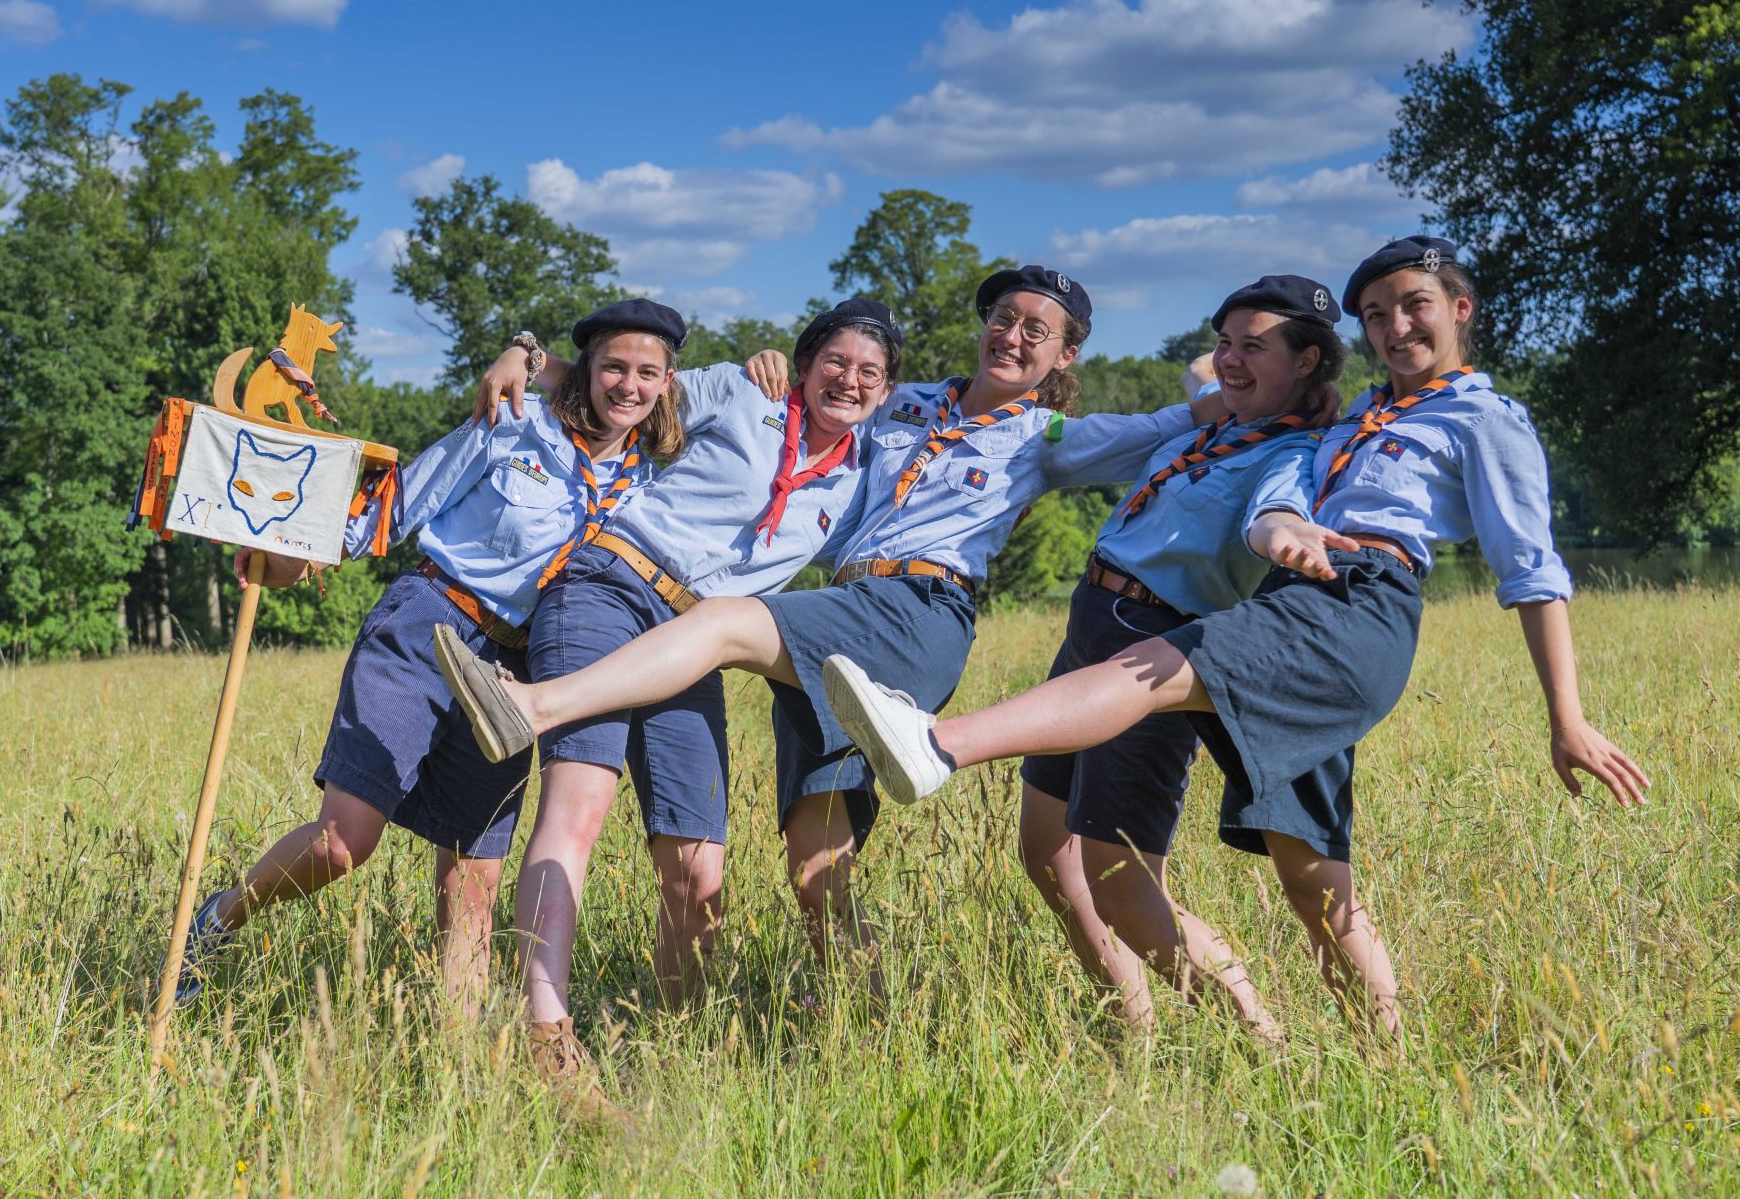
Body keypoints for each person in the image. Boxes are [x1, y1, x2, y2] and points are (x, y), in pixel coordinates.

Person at [826, 238, 1650, 1034]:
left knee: (1138, 784)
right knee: (1309, 873)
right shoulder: (1347, 419)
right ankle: (1368, 1056)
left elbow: (1529, 566)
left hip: (1338, 604)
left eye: (1414, 306)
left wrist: (1566, 715)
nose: (1395, 326)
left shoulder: (1474, 418)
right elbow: (1271, 485)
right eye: (1376, 313)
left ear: (1459, 309)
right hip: (1260, 606)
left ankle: (937, 743)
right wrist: (1270, 479)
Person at [439, 265, 1227, 1005]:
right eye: (1004, 318)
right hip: (843, 620)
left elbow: (1195, 414)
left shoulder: (1050, 437)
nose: (1013, 336)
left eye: (1037, 331)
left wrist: (1210, 367)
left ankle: (538, 706)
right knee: (816, 867)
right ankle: (867, 1024)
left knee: (722, 621)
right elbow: (779, 392)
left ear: (1064, 353)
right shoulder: (902, 402)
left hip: (918, 610)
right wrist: (765, 363)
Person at [167, 299, 685, 1015]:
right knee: (343, 842)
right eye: (614, 366)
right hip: (427, 624)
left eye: (646, 373)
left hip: (512, 674)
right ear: (587, 369)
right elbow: (402, 501)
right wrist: (294, 558)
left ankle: (461, 1059)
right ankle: (215, 920)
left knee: (473, 882)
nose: (628, 385)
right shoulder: (515, 421)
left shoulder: (651, 483)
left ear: (666, 382)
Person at [455, 297, 899, 1105]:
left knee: (698, 869)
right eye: (834, 361)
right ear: (803, 364)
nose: (849, 380)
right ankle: (547, 1036)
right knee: (578, 809)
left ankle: (679, 1051)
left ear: (884, 390)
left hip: (696, 638)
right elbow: (613, 385)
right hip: (607, 586)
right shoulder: (742, 390)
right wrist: (523, 354)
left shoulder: (865, 474)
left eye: (870, 372)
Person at [1016, 275, 1341, 1040]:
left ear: (1308, 361)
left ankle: (1258, 1036)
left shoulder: (1296, 451)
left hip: (1153, 645)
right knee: (1046, 851)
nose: (1228, 359)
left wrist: (1284, 539)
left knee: (1121, 879)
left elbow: (1275, 514)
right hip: (1092, 619)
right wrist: (1237, 367)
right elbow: (1203, 368)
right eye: (1226, 340)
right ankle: (1134, 1030)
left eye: (1253, 347)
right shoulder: (1217, 413)